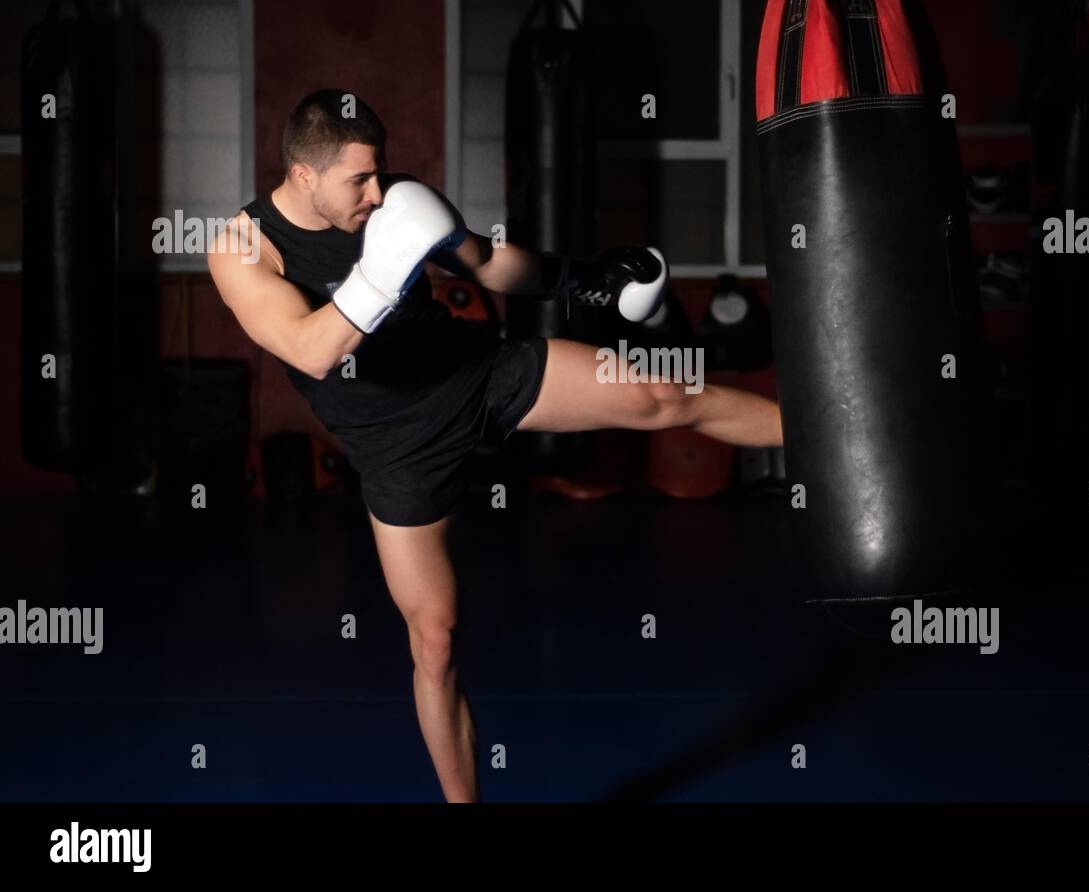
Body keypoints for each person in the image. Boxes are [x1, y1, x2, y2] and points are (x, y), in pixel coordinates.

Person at [207, 89, 783, 802]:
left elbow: (484, 263)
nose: (377, 192)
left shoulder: (394, 201)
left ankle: (831, 437)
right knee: (437, 641)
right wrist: (380, 273)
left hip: (472, 373)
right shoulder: (241, 246)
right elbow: (309, 349)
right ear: (302, 175)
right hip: (393, 447)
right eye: (358, 180)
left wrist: (582, 280)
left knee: (663, 394)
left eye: (379, 173)